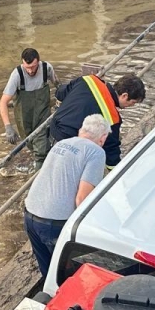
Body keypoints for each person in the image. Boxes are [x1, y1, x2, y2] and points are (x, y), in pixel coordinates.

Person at [23, 114, 110, 281]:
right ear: (103, 137)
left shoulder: (62, 143)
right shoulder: (96, 152)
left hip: (30, 213)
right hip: (54, 223)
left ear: (80, 130)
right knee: (66, 275)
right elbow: (82, 199)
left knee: (48, 273)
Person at [49, 73, 145, 168]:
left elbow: (61, 92)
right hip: (72, 144)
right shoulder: (112, 117)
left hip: (54, 129)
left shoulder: (89, 79)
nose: (131, 106)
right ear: (124, 95)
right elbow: (111, 152)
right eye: (133, 102)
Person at [0, 48, 57, 165]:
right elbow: (3, 103)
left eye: (33, 67)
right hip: (24, 119)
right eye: (27, 67)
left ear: (38, 62)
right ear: (23, 63)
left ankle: (39, 178)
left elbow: (58, 85)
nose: (30, 71)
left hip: (43, 115)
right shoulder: (17, 75)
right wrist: (8, 127)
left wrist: (60, 103)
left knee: (41, 150)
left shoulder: (46, 68)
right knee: (31, 145)